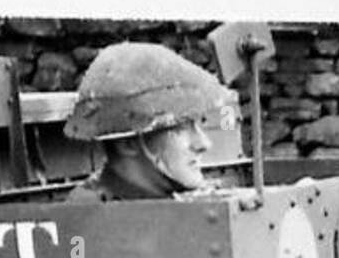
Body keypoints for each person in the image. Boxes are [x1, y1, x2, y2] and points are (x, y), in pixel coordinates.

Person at [63, 42, 231, 201]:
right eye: (179, 129)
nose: (204, 144)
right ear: (127, 143)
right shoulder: (91, 219)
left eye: (198, 123)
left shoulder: (182, 203)